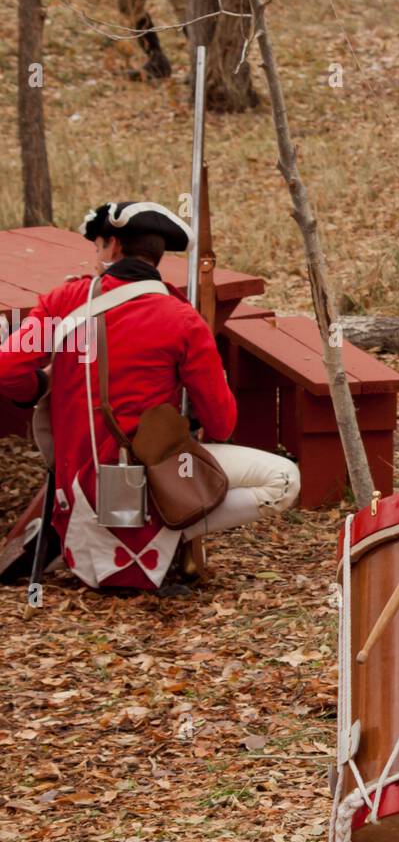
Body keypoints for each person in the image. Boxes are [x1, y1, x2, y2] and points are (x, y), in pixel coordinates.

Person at [0, 201, 299, 593]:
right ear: (156, 257)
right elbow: (223, 424)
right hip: (153, 489)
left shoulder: (63, 302)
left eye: (97, 246)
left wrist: (39, 388)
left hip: (76, 491)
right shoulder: (182, 318)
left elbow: (7, 369)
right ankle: (173, 527)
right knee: (283, 480)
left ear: (111, 247)